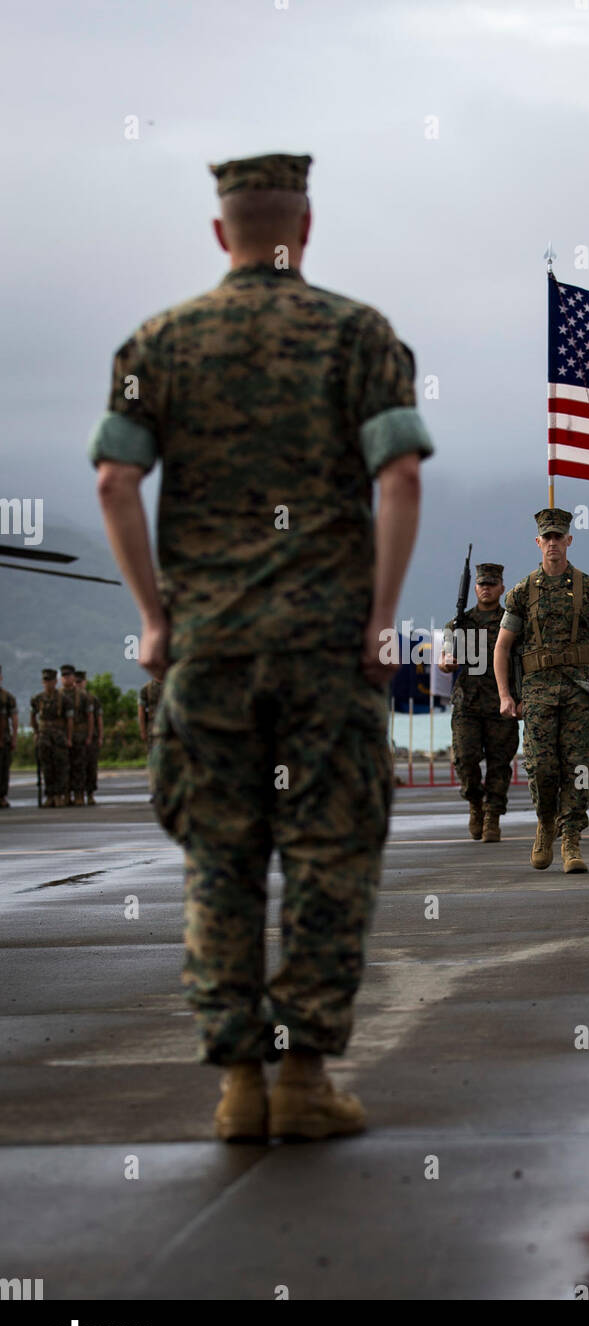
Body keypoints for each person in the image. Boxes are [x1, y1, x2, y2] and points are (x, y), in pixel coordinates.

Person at [89, 152, 432, 1143]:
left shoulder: (159, 340)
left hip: (210, 651)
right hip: (325, 648)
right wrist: (377, 618)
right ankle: (304, 1074)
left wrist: (157, 619)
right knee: (328, 857)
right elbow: (400, 476)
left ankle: (239, 1082)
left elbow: (116, 481)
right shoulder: (358, 333)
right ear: (306, 228)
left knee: (220, 861)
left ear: (219, 235)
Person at [494, 508, 589, 873]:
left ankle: (572, 840)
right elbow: (502, 647)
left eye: (558, 537)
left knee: (579, 767)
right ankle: (546, 823)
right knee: (542, 767)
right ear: (538, 542)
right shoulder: (521, 593)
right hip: (537, 694)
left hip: (581, 692)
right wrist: (505, 695)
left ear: (569, 541)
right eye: (546, 538)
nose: (552, 543)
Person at [439, 562, 519, 842]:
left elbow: (521, 661)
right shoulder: (459, 623)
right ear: (474, 588)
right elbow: (444, 658)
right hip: (467, 702)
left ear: (501, 587)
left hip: (502, 701)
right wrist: (447, 663)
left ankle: (493, 816)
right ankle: (475, 805)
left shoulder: (512, 621)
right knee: (464, 758)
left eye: (491, 584)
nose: (486, 588)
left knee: (500, 762)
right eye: (482, 584)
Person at [30, 669, 73, 808]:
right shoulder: (37, 699)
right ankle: (49, 795)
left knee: (60, 766)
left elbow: (69, 720)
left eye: (51, 680)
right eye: (46, 681)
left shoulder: (64, 699)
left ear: (55, 681)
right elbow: (33, 716)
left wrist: (69, 737)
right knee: (47, 767)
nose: (48, 683)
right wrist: (36, 732)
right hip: (44, 736)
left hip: (59, 736)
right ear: (43, 682)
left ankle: (59, 795)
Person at [61, 664, 93, 806]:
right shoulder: (59, 695)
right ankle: (66, 794)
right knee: (64, 766)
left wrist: (89, 735)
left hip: (79, 733)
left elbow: (90, 717)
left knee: (79, 765)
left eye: (68, 675)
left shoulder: (83, 696)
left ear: (73, 677)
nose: (66, 678)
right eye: (64, 676)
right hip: (61, 735)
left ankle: (79, 794)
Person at [76, 671, 102, 804]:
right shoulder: (69, 698)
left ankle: (90, 794)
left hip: (91, 737)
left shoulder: (92, 699)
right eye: (76, 682)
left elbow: (99, 719)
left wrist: (99, 737)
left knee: (91, 766)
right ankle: (77, 794)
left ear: (85, 682)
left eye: (80, 682)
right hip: (76, 737)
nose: (78, 684)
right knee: (76, 767)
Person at [0, 666, 18, 808]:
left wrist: (14, 737)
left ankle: (2, 796)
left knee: (3, 768)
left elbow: (14, 719)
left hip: (4, 738)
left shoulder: (7, 697)